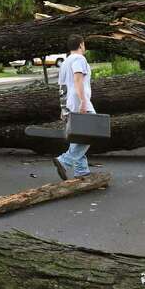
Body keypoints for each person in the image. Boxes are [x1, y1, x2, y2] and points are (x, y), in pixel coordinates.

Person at [54, 34, 94, 180]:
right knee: (91, 133)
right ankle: (64, 161)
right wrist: (83, 101)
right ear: (81, 45)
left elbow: (62, 87)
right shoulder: (79, 59)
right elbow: (78, 80)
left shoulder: (65, 62)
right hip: (80, 103)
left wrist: (63, 108)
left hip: (70, 104)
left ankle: (82, 170)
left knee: (78, 136)